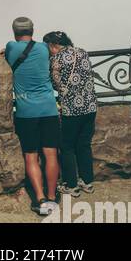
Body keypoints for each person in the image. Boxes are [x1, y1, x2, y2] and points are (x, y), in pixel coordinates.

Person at [4, 16, 60, 214]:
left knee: (31, 156)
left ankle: (40, 199)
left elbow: (9, 55)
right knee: (51, 154)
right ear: (32, 30)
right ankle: (53, 197)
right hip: (49, 109)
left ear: (14, 32)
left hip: (26, 112)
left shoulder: (11, 47)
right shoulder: (44, 48)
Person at [44, 30, 97, 195]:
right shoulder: (82, 52)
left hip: (71, 110)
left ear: (53, 45)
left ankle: (71, 185)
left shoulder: (56, 59)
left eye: (47, 47)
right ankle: (87, 182)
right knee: (84, 145)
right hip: (90, 107)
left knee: (67, 147)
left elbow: (56, 84)